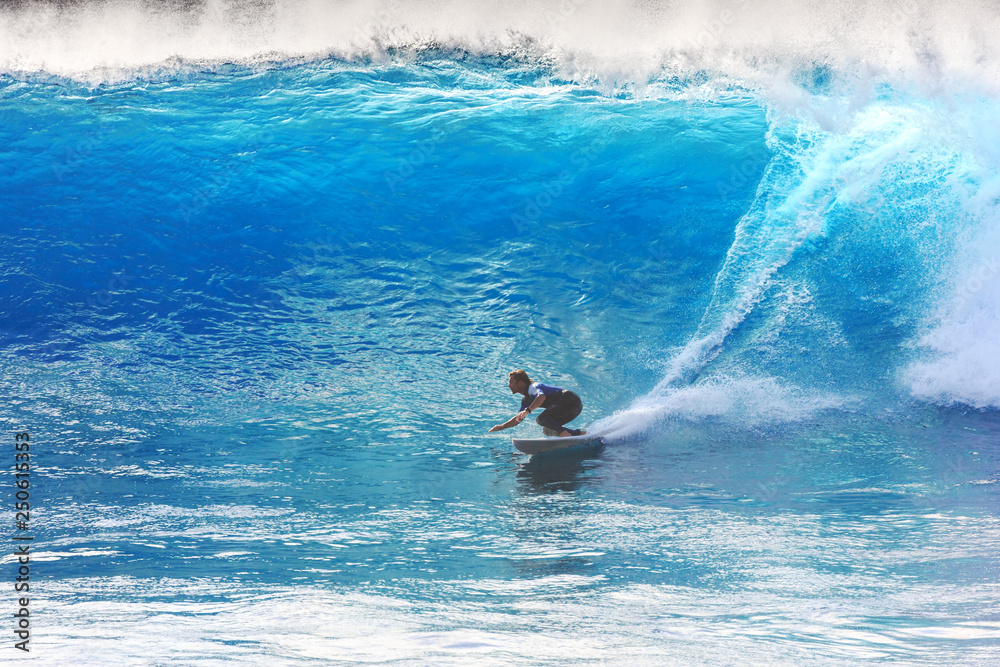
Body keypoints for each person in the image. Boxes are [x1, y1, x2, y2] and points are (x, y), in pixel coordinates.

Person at [488, 369, 586, 437]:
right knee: (548, 430)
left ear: (521, 382)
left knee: (541, 419)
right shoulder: (526, 399)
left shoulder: (533, 387)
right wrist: (502, 426)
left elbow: (541, 397)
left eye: (511, 382)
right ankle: (580, 434)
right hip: (573, 408)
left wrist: (528, 410)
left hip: (570, 400)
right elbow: (518, 418)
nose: (509, 386)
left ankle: (564, 434)